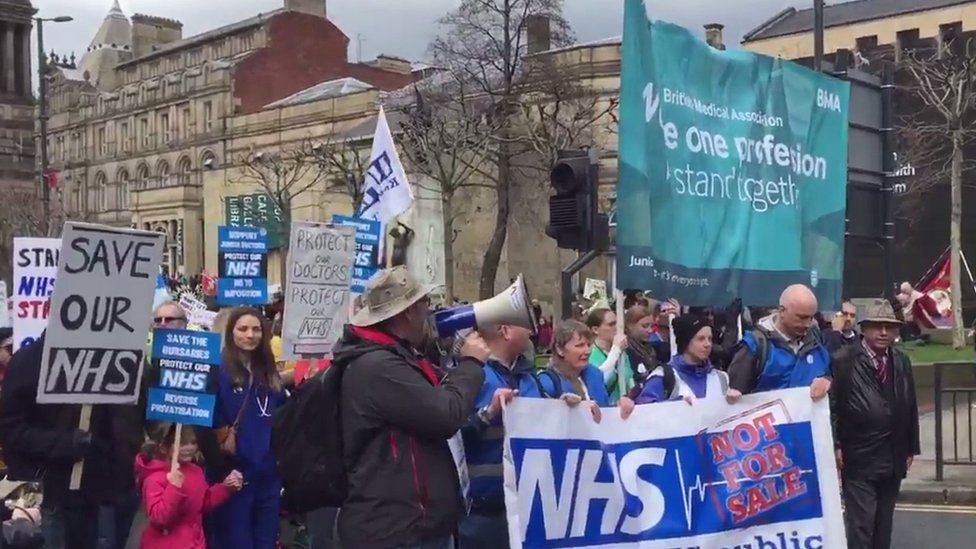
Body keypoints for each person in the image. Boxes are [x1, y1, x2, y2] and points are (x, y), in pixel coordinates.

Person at [331, 266, 487, 549]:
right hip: (397, 532)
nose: (428, 312)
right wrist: (471, 364)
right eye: (424, 304)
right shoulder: (379, 367)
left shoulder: (395, 358)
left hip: (413, 526)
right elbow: (445, 414)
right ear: (408, 312)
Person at [0, 334, 145, 549]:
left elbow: (128, 424)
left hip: (98, 496)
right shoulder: (30, 360)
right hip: (45, 495)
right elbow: (11, 430)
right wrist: (66, 443)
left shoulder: (115, 360)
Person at [830, 299, 919, 549]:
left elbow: (909, 404)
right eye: (877, 326)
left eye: (889, 327)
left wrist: (912, 447)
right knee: (861, 525)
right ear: (864, 329)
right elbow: (833, 406)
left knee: (883, 525)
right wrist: (836, 444)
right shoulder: (843, 360)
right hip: (858, 456)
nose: (883, 332)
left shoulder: (901, 361)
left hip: (893, 455)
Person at [211, 308, 286, 549]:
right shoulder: (218, 371)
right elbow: (211, 422)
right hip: (234, 476)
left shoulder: (268, 370)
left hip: (267, 475)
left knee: (265, 541)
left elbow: (282, 412)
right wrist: (223, 471)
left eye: (256, 329)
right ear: (231, 332)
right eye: (242, 329)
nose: (250, 335)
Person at [458, 323, 534, 549]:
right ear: (505, 331)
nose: (531, 332)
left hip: (521, 507)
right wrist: (488, 413)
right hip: (481, 512)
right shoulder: (471, 376)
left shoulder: (530, 378)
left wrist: (567, 409)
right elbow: (451, 434)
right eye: (525, 326)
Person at [135, 424, 242, 549]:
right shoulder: (154, 478)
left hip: (194, 542)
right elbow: (159, 518)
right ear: (164, 447)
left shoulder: (196, 471)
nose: (189, 447)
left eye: (193, 442)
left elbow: (201, 503)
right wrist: (174, 488)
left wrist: (225, 488)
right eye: (182, 443)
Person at [726, 285, 832, 403]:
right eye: (802, 317)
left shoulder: (817, 344)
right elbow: (734, 397)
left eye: (811, 318)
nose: (807, 324)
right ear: (782, 311)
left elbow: (833, 386)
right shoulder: (755, 346)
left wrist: (827, 381)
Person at [636, 314, 728, 403]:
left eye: (710, 339)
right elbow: (645, 413)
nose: (707, 344)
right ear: (686, 342)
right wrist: (676, 406)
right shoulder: (663, 376)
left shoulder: (721, 378)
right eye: (701, 339)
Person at [584, 308, 632, 403]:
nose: (616, 328)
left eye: (617, 323)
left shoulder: (623, 353)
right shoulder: (591, 354)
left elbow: (630, 380)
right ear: (595, 330)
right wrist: (616, 350)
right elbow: (600, 380)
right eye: (611, 324)